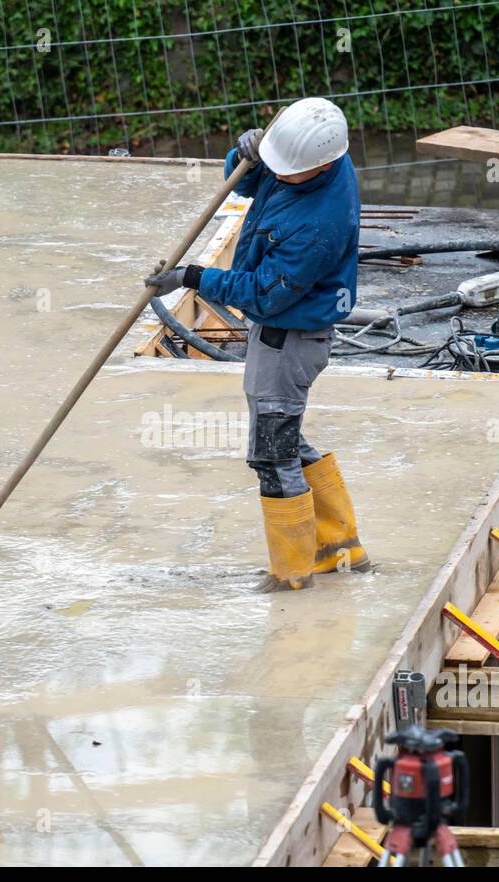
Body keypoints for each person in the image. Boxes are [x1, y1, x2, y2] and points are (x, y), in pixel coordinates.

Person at [145, 97, 368, 592]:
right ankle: (339, 549)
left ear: (322, 164)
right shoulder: (310, 156)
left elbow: (263, 293)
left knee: (271, 453)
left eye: (281, 167)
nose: (275, 170)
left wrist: (194, 277)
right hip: (282, 336)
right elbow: (248, 181)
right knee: (284, 439)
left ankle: (292, 573)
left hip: (290, 339)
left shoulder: (318, 227)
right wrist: (243, 152)